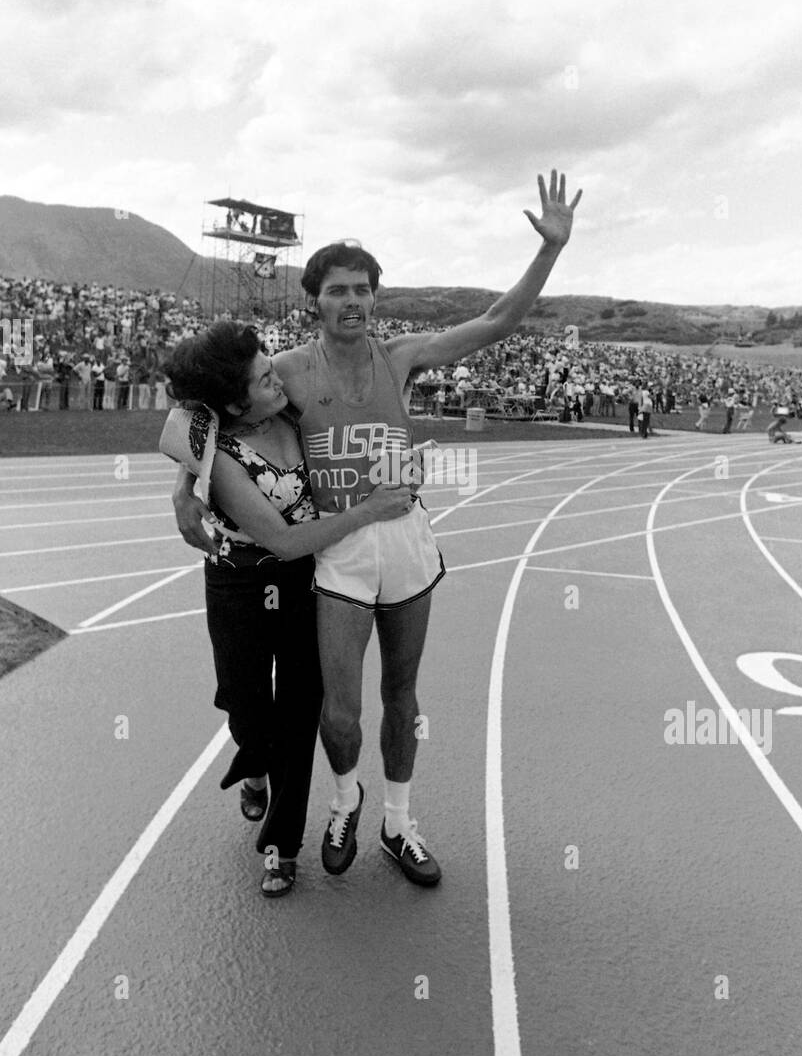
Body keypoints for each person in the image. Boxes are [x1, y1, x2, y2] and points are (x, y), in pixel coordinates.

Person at [171, 168, 581, 888]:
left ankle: (397, 823)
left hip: (405, 544)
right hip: (336, 554)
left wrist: (548, 251)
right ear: (315, 301)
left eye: (362, 288)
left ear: (375, 296)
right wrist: (181, 488)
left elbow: (495, 323)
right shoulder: (288, 371)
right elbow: (197, 412)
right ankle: (342, 802)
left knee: (402, 693)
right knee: (339, 706)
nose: (352, 301)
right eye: (337, 290)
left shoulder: (403, 357)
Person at [161, 322, 413, 896]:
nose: (276, 375)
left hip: (305, 584)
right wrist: (371, 509)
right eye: (261, 377)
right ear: (230, 402)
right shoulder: (219, 452)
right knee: (248, 710)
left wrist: (180, 488)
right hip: (240, 584)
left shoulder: (291, 408)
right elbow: (283, 540)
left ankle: (281, 846)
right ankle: (252, 764)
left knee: (299, 715)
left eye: (269, 363)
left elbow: (187, 423)